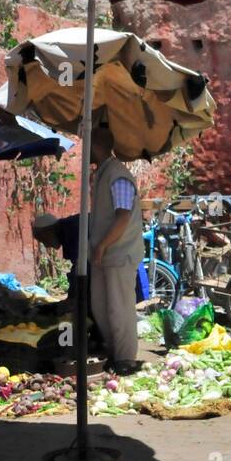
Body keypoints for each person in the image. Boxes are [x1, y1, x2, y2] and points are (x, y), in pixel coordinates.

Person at [87, 126, 144, 375]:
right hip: (107, 254)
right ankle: (114, 354)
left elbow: (122, 217)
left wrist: (101, 245)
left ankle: (126, 360)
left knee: (119, 308)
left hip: (119, 253)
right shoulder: (104, 173)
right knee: (102, 307)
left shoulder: (118, 175)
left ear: (95, 145)